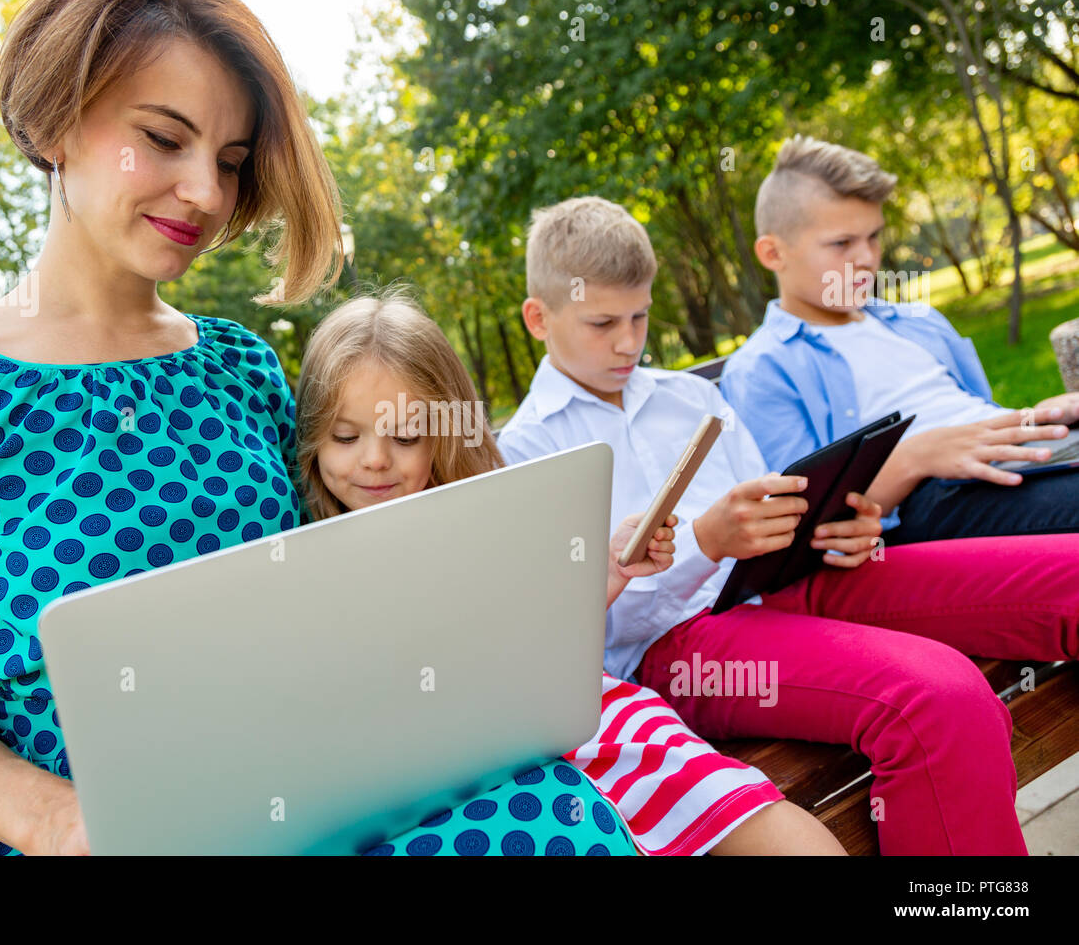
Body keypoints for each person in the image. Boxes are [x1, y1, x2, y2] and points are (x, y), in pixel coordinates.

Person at [0, 0, 376, 856]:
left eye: (231, 160)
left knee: (539, 806)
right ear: (52, 126)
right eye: (162, 138)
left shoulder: (241, 368)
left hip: (289, 801)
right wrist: (62, 820)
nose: (205, 191)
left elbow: (311, 606)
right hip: (96, 841)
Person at [495, 195, 1079, 854]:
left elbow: (771, 499)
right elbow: (560, 633)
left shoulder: (689, 397)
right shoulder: (523, 451)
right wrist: (704, 542)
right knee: (940, 699)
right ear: (538, 319)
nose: (629, 342)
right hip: (679, 649)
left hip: (793, 582)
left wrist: (843, 523)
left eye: (639, 315)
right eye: (602, 322)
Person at [295, 291, 845, 855]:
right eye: (345, 436)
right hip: (458, 754)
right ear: (312, 437)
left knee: (737, 807)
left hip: (571, 709)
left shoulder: (485, 509)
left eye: (406, 436)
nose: (374, 459)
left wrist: (612, 568)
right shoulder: (308, 551)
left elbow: (545, 622)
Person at [718, 134, 1079, 544]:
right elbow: (805, 525)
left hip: (1007, 459)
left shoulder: (915, 321)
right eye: (842, 243)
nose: (867, 258)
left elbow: (967, 416)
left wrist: (1031, 417)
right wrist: (915, 457)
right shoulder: (762, 369)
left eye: (873, 236)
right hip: (928, 501)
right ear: (772, 254)